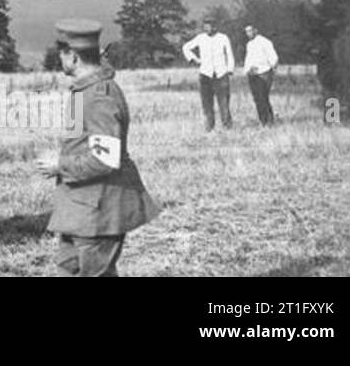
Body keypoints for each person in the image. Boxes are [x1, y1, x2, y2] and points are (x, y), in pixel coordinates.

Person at [36, 19, 158, 277]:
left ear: (73, 56)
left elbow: (105, 160)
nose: (60, 58)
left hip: (98, 211)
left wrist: (60, 166)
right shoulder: (86, 90)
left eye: (62, 52)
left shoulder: (99, 96)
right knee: (67, 270)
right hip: (80, 207)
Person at [182, 19, 235, 130]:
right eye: (205, 26)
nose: (206, 29)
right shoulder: (201, 38)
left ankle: (227, 127)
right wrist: (194, 59)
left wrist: (230, 69)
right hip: (205, 74)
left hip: (221, 74)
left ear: (215, 27)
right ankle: (209, 127)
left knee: (224, 103)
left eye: (209, 26)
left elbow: (229, 54)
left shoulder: (223, 38)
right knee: (206, 103)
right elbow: (186, 47)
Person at [241, 24, 279, 126]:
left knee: (263, 97)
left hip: (264, 73)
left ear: (255, 30)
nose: (248, 33)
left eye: (250, 31)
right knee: (257, 98)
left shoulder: (265, 42)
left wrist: (271, 69)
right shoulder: (249, 44)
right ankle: (263, 120)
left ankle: (269, 120)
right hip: (252, 74)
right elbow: (248, 59)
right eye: (246, 32)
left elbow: (273, 57)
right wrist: (247, 70)